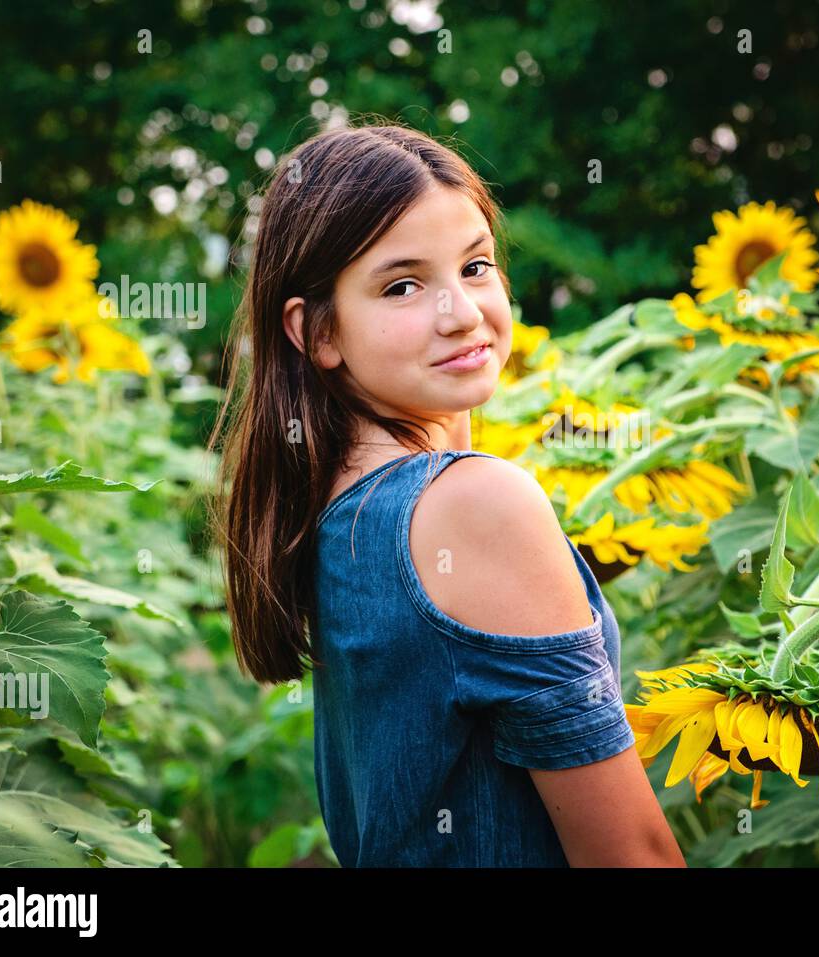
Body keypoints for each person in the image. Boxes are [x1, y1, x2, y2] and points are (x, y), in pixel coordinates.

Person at [208, 121, 685, 867]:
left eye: (476, 266)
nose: (462, 312)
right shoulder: (474, 505)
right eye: (403, 285)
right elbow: (634, 856)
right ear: (318, 333)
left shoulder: (339, 510)